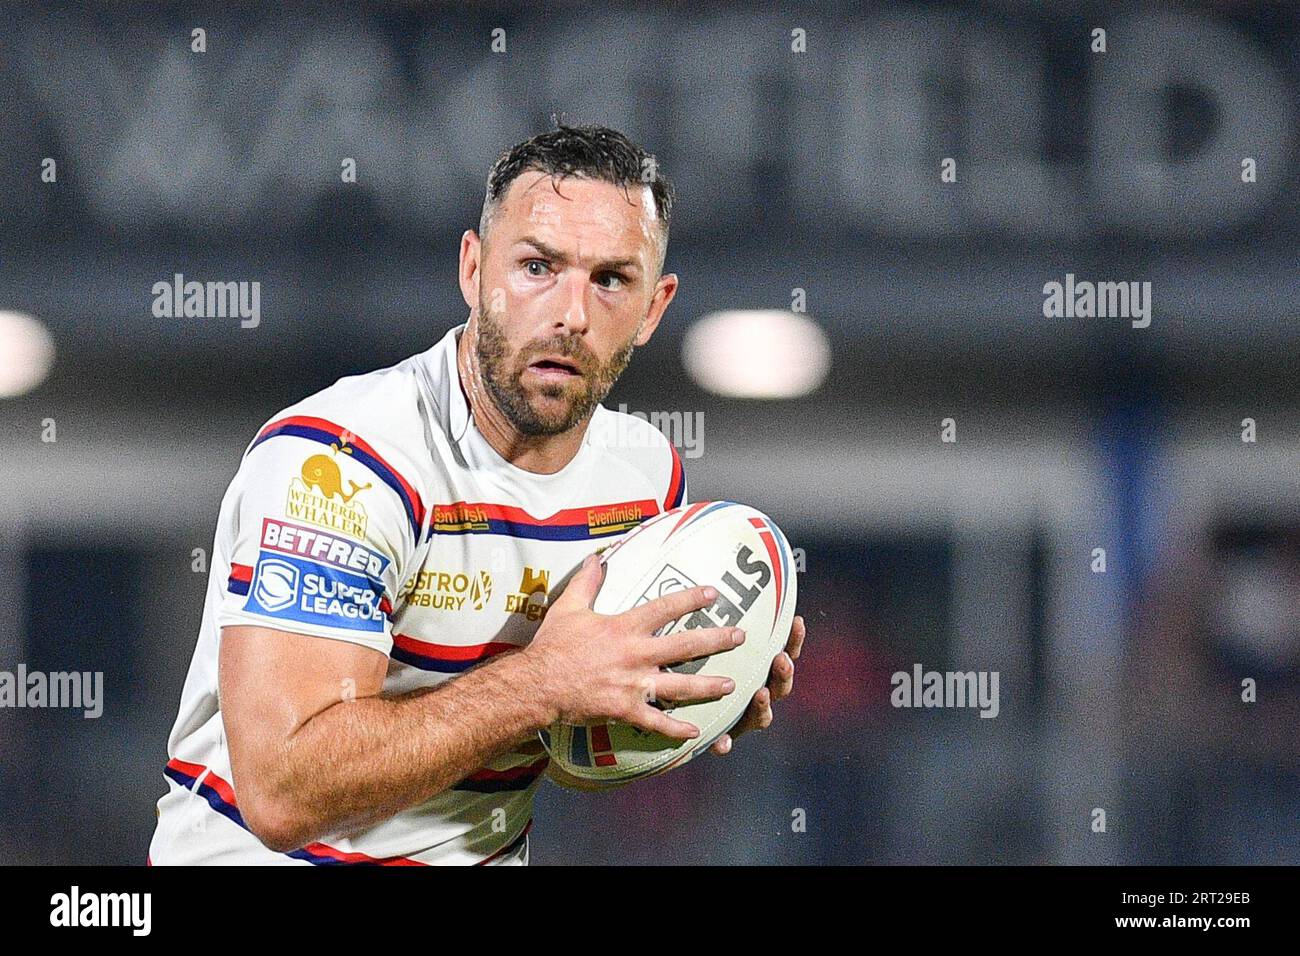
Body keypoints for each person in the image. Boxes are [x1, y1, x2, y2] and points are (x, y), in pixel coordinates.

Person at [149, 124, 805, 865]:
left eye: (611, 279)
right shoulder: (343, 461)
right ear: (472, 269)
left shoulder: (645, 480)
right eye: (537, 267)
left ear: (654, 307)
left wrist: (675, 697)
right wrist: (543, 682)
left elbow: (554, 750)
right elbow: (283, 793)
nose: (572, 314)